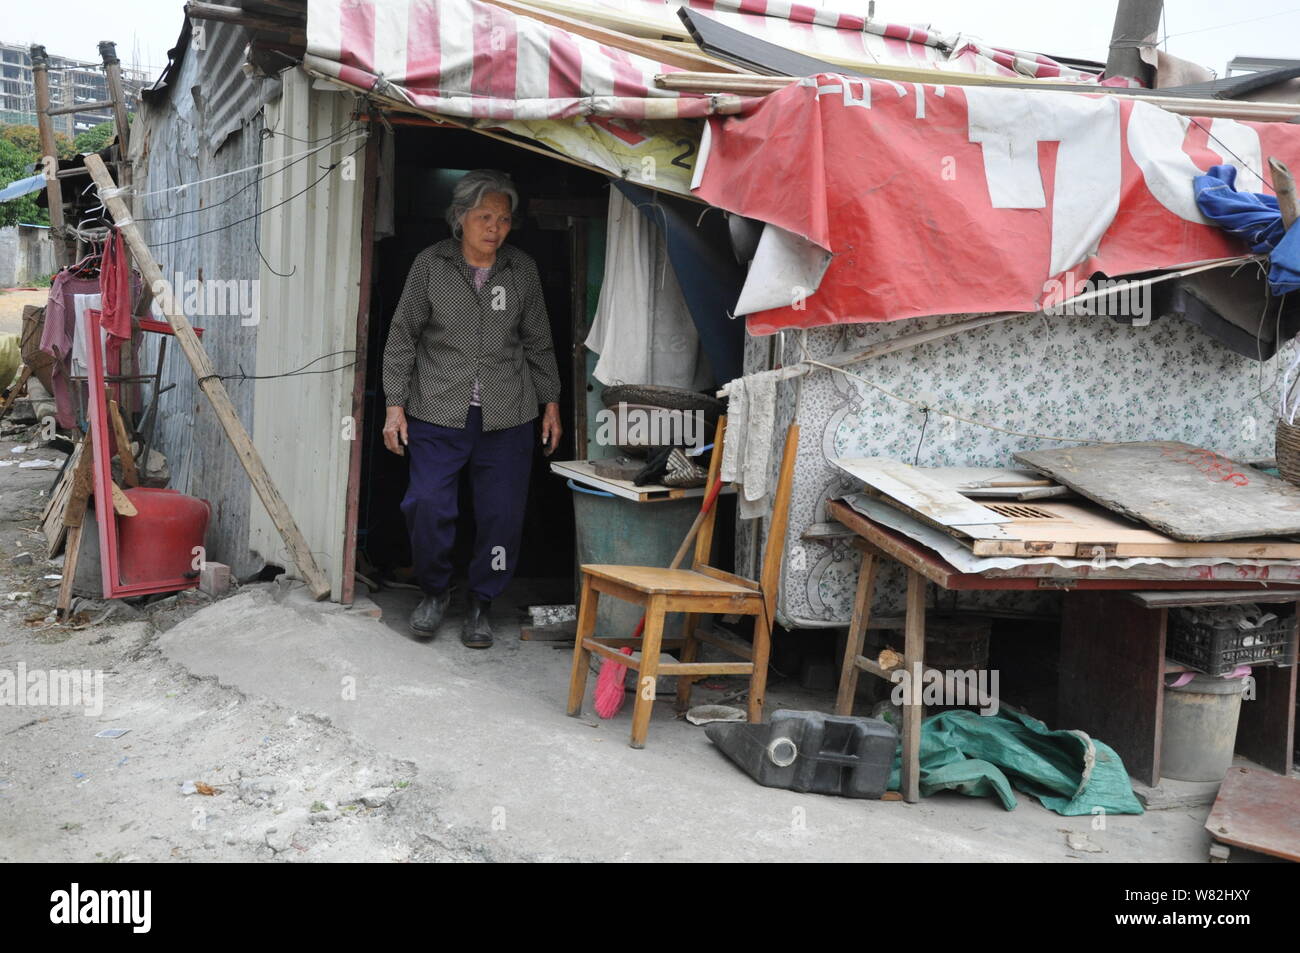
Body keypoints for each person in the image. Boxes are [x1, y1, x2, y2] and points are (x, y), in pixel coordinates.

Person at [382, 169, 562, 648]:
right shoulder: (430, 265)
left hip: (508, 413)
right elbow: (402, 337)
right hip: (438, 407)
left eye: (503, 219)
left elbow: (539, 342)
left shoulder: (520, 270)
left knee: (501, 514)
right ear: (460, 217)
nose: (495, 228)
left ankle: (483, 599)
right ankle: (435, 591)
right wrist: (394, 406)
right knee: (425, 503)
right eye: (485, 216)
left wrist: (552, 403)